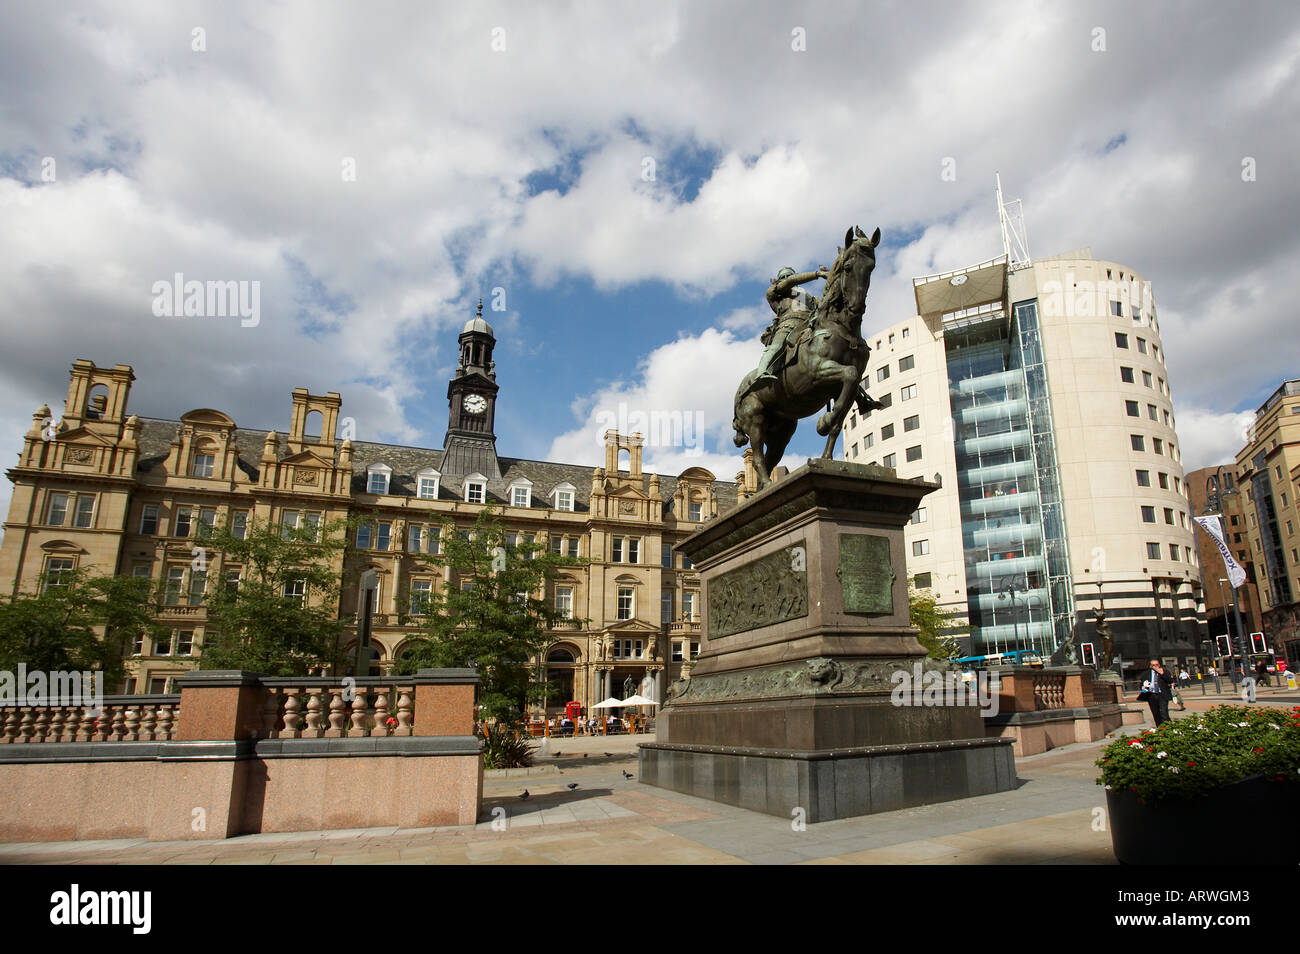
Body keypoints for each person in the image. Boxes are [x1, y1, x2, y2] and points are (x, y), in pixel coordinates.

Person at [1142, 659, 1173, 726]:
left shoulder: (1165, 671)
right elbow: (1143, 684)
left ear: (1159, 665)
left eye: (1156, 665)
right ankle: (1160, 729)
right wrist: (1143, 688)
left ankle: (1169, 727)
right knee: (1156, 713)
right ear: (1150, 666)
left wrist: (1162, 674)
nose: (1155, 666)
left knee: (1164, 712)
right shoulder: (1146, 674)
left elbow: (1170, 681)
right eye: (1153, 665)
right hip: (1151, 695)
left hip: (1162, 694)